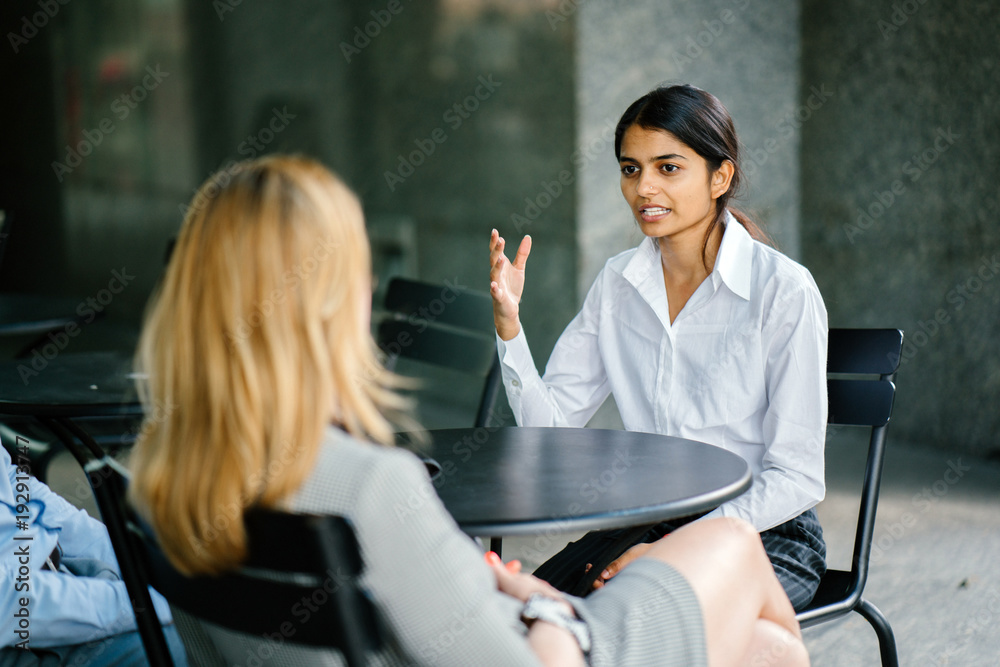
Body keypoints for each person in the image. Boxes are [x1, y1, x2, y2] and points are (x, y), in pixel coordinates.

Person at [127, 154, 809, 666]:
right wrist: (544, 605)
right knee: (740, 556)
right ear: (329, 302)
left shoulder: (159, 473)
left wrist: (472, 585)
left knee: (764, 645)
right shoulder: (368, 485)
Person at [489, 84, 828, 610]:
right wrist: (511, 327)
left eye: (668, 168)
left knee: (637, 619)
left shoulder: (783, 291)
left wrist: (669, 550)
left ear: (720, 177)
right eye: (631, 169)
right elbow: (550, 432)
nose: (645, 187)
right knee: (525, 611)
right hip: (648, 521)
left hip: (762, 535)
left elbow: (796, 478)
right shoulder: (618, 283)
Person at [0, 441, 187, 665]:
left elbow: (9, 479)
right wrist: (147, 604)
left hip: (50, 575)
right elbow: (9, 600)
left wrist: (125, 555)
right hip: (17, 619)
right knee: (159, 644)